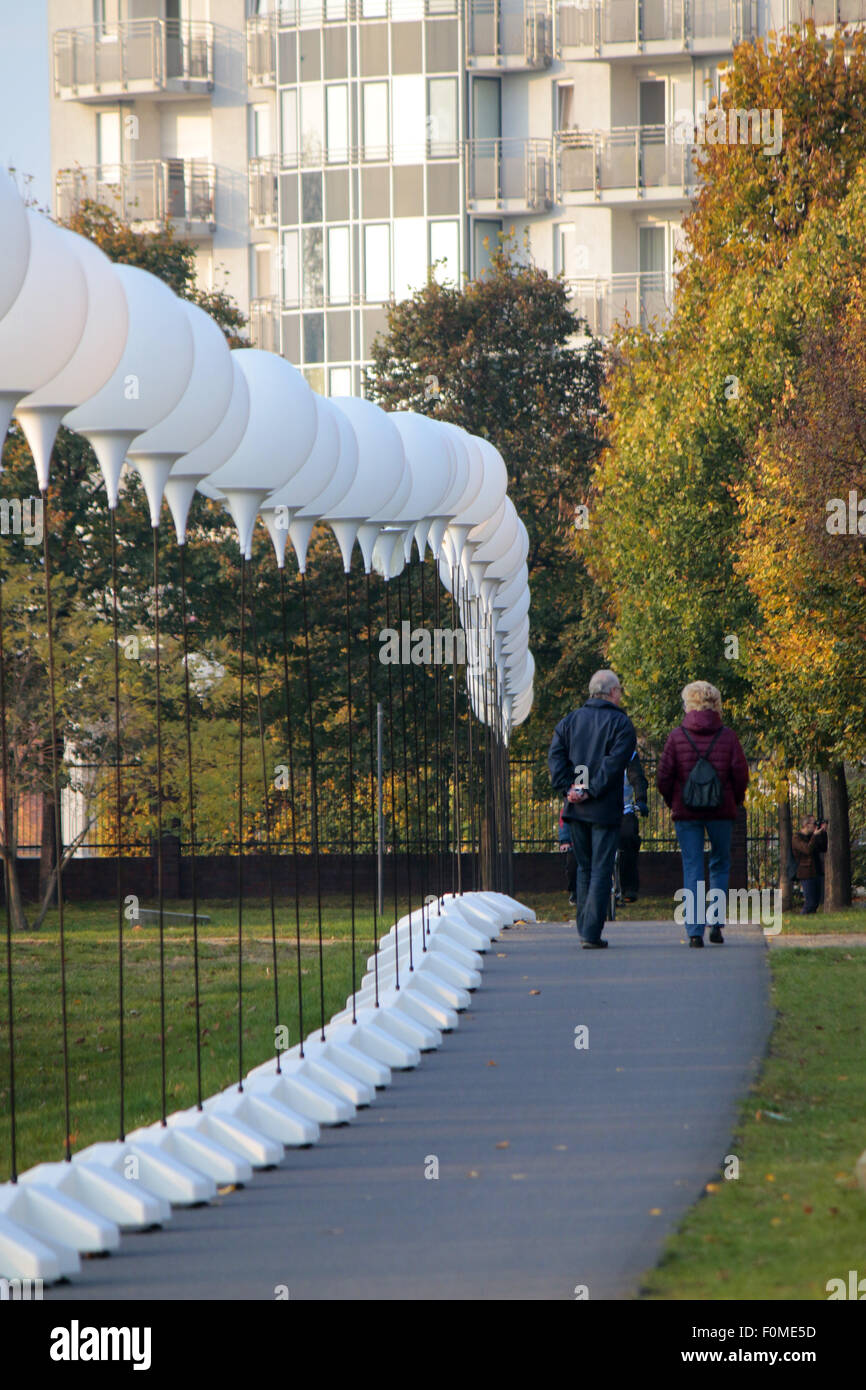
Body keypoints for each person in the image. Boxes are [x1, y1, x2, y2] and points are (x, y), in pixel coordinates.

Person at [548, 669, 637, 949]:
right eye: (619, 691)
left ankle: (584, 927)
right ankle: (590, 932)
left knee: (584, 868)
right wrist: (592, 789)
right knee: (600, 869)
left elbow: (556, 757)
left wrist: (570, 788)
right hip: (604, 808)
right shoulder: (621, 724)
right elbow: (613, 764)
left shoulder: (569, 721)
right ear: (612, 692)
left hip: (575, 809)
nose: (620, 696)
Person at [656, 681, 749, 948]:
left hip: (687, 812)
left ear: (689, 704)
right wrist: (735, 799)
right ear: (716, 704)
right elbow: (740, 774)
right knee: (720, 864)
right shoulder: (728, 736)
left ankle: (695, 931)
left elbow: (664, 775)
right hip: (721, 811)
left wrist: (672, 800)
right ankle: (716, 924)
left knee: (693, 866)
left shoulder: (676, 736)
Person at [619, 749, 649, 903]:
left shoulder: (629, 754)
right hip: (599, 810)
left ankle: (629, 887)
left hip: (624, 810)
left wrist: (641, 799)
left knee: (629, 838)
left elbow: (637, 778)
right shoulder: (592, 747)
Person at [791, 814, 828, 915]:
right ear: (806, 825)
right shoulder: (796, 837)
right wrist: (815, 836)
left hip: (817, 871)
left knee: (816, 903)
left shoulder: (813, 836)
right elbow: (807, 850)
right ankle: (801, 920)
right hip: (806, 873)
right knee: (810, 903)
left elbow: (823, 848)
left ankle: (810, 923)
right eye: (814, 823)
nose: (815, 825)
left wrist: (823, 833)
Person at [558, 805, 577, 906]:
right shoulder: (571, 803)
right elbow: (564, 822)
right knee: (572, 866)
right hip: (575, 843)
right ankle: (574, 891)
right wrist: (565, 841)